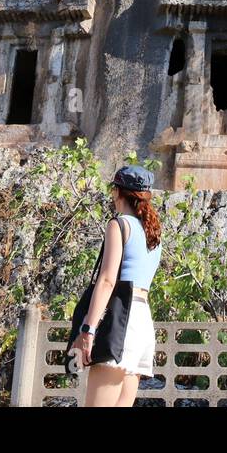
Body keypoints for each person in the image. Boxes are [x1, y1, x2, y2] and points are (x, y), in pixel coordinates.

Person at [69, 164, 163, 407]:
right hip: (142, 322)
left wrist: (88, 330)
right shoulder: (153, 234)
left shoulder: (119, 225)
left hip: (120, 321)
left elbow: (108, 280)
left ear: (118, 192)